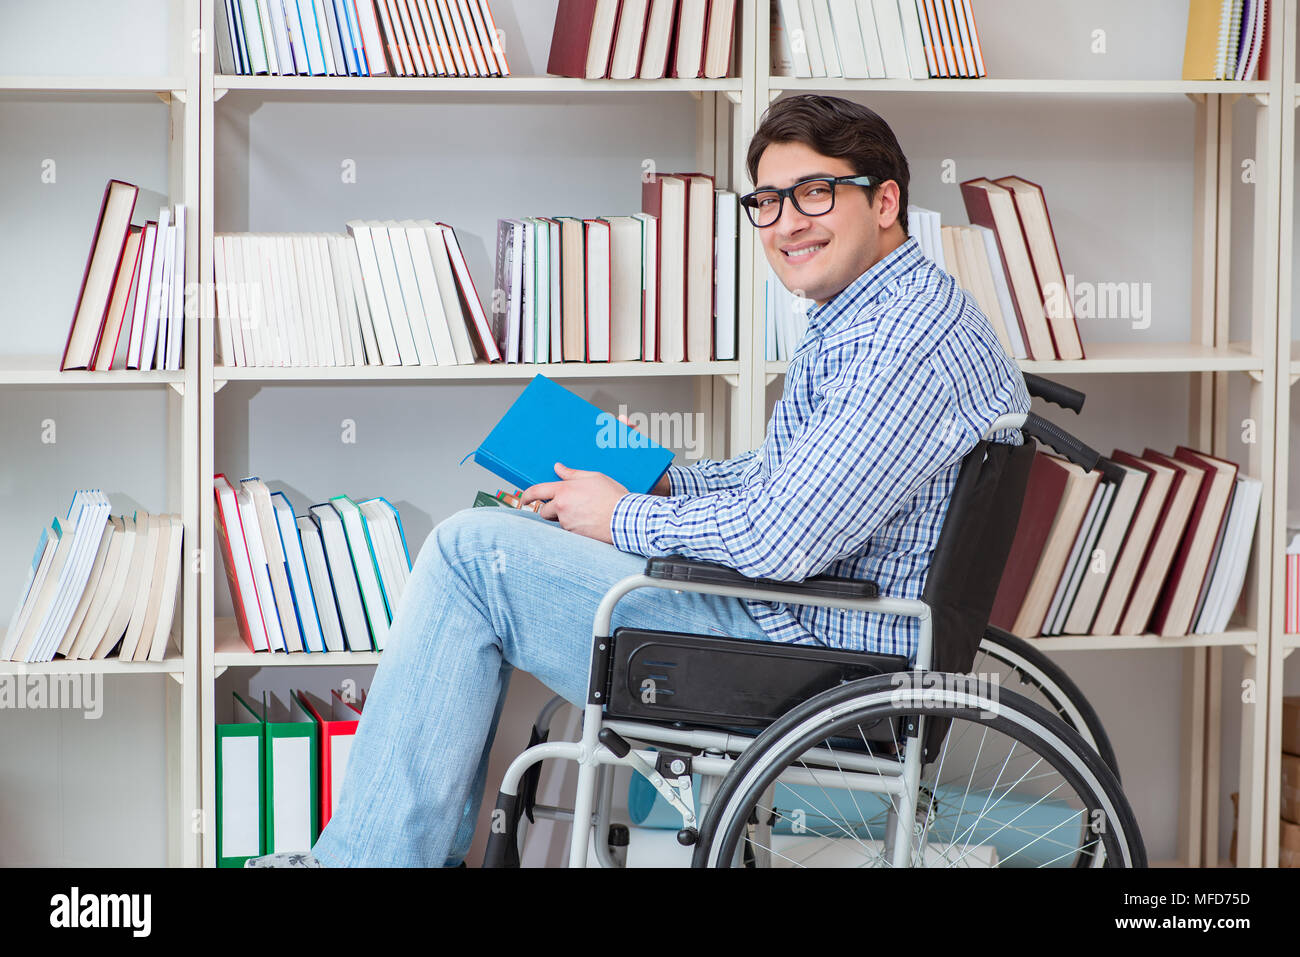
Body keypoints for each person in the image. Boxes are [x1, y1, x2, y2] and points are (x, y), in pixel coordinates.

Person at [245, 93, 1030, 868]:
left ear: (885, 200)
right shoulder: (884, 312)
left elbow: (780, 538)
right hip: (801, 628)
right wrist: (656, 488)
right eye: (768, 201)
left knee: (469, 556)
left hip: (804, 657)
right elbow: (781, 480)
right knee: (502, 536)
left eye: (816, 193)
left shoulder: (900, 342)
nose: (789, 222)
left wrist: (619, 517)